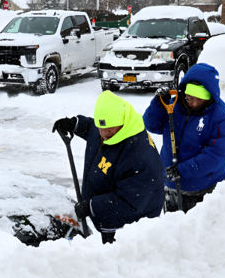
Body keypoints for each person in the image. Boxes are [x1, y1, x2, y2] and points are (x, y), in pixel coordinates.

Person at [53, 91, 164, 244]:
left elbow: (128, 201)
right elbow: (93, 128)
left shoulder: (139, 157)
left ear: (123, 122)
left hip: (130, 227)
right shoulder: (112, 129)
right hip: (108, 215)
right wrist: (75, 124)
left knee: (117, 263)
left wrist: (91, 207)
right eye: (101, 127)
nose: (104, 133)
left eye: (109, 128)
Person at [143, 63, 225, 213]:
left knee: (202, 234)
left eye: (199, 100)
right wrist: (158, 104)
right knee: (172, 231)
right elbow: (152, 125)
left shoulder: (223, 118)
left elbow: (216, 155)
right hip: (171, 184)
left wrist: (183, 170)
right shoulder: (173, 104)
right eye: (189, 98)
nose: (193, 103)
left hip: (205, 189)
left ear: (209, 96)